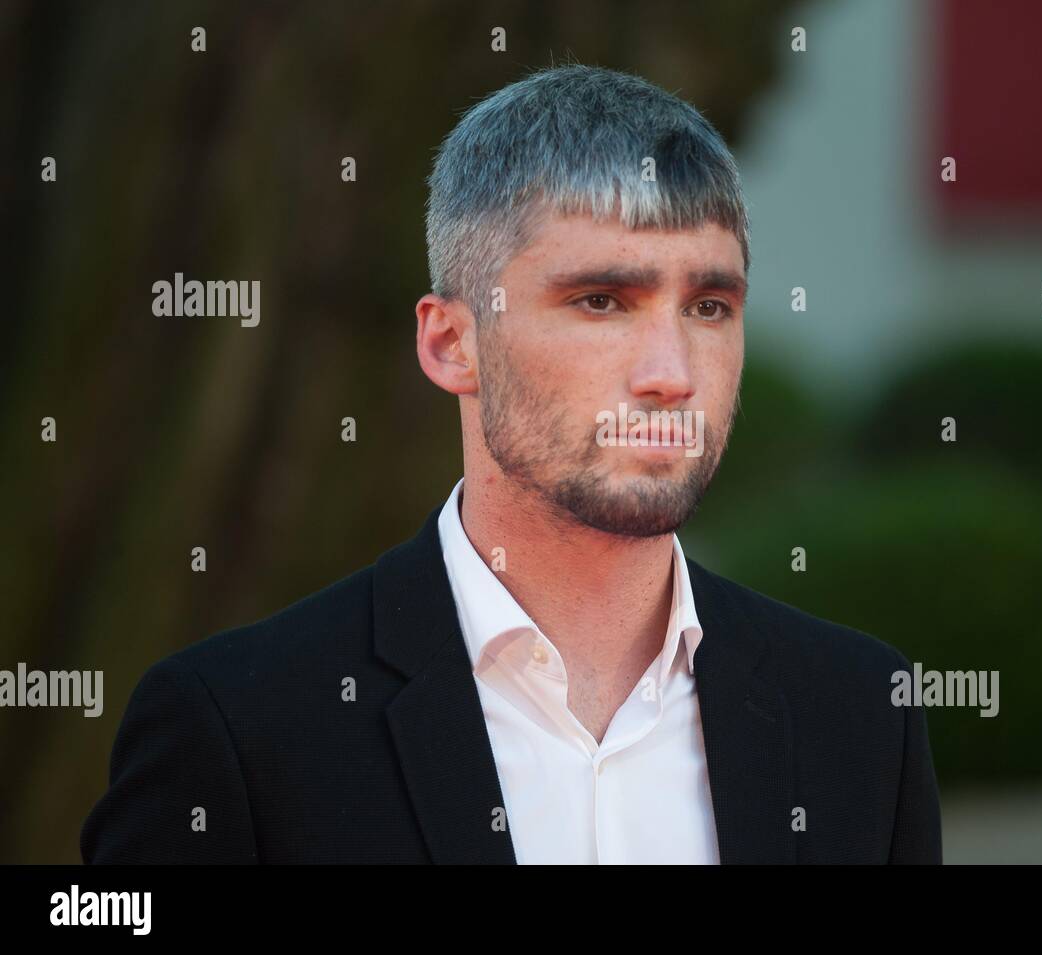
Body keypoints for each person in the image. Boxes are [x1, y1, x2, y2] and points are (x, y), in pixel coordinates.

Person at [81, 64, 941, 864]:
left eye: (709, 305)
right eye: (602, 301)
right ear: (453, 343)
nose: (671, 374)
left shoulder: (861, 713)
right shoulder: (240, 727)